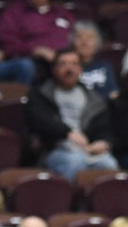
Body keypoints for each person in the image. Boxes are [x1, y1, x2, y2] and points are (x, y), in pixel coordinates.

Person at [28, 49, 119, 180]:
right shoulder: (42, 94)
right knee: (76, 160)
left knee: (109, 163)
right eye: (63, 64)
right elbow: (40, 121)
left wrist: (103, 142)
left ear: (81, 69)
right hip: (55, 150)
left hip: (88, 150)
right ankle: (66, 199)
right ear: (54, 69)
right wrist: (67, 133)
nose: (69, 69)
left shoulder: (93, 98)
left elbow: (104, 127)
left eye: (74, 64)